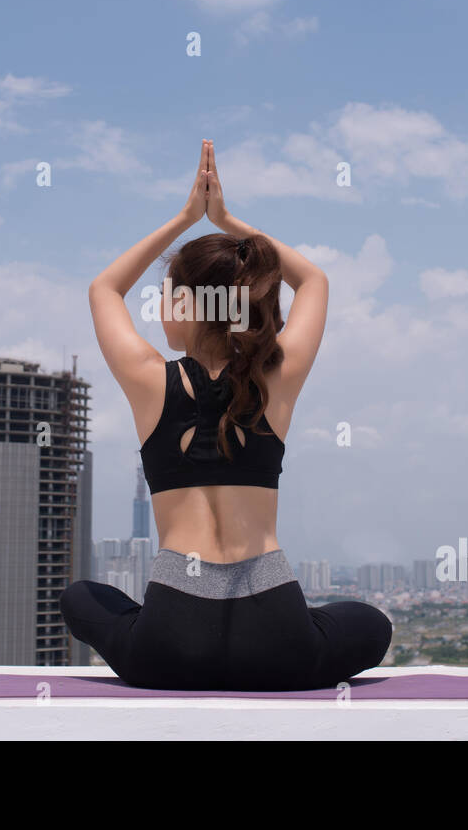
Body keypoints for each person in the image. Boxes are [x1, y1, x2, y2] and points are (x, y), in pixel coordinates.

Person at [59, 139, 392, 690]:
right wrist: (231, 225)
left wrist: (186, 218)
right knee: (370, 624)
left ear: (186, 306)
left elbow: (104, 288)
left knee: (80, 598)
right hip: (279, 643)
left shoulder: (149, 380)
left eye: (165, 296)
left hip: (168, 646)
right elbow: (314, 281)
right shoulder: (274, 375)